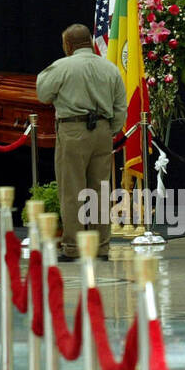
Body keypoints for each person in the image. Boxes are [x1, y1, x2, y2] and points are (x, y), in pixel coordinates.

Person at [35, 23, 128, 261]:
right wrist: (110, 130)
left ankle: (74, 248)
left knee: (72, 190)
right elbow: (120, 106)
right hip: (103, 132)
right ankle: (101, 248)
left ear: (68, 45)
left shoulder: (62, 66)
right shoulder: (110, 68)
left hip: (73, 131)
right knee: (100, 189)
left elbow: (43, 94)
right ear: (89, 41)